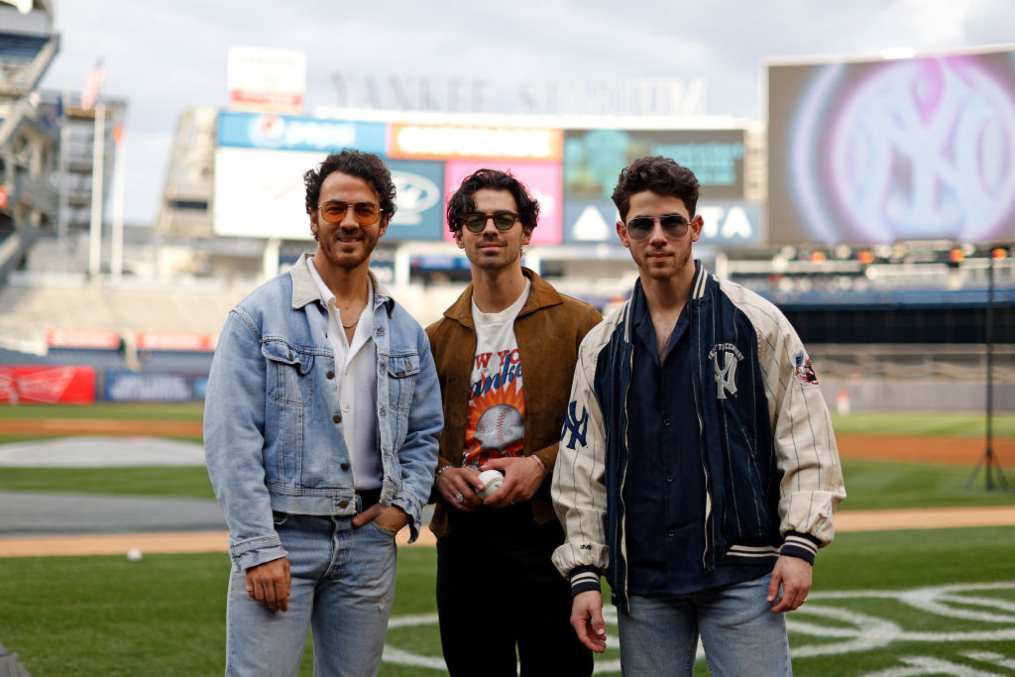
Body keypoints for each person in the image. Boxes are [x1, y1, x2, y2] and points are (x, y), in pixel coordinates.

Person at [551, 156, 846, 675]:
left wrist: (800, 544)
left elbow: (807, 438)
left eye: (672, 222)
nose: (658, 236)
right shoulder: (601, 346)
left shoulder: (756, 322)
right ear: (624, 233)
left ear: (696, 228)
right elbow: (581, 468)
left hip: (742, 576)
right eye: (643, 224)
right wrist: (583, 573)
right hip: (645, 580)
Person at [204, 149, 443, 677]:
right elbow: (231, 441)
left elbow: (426, 433)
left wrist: (401, 507)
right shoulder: (256, 317)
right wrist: (259, 546)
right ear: (313, 218)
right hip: (285, 534)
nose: (350, 221)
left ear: (383, 222)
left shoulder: (405, 331)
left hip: (368, 542)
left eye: (365, 210)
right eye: (336, 209)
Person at [427, 168, 601, 676]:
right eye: (475, 219)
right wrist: (440, 472)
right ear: (458, 233)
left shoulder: (579, 323)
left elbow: (608, 430)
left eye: (504, 218)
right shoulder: (435, 336)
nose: (490, 229)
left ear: (526, 231)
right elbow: (410, 437)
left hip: (549, 534)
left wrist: (541, 465)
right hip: (464, 542)